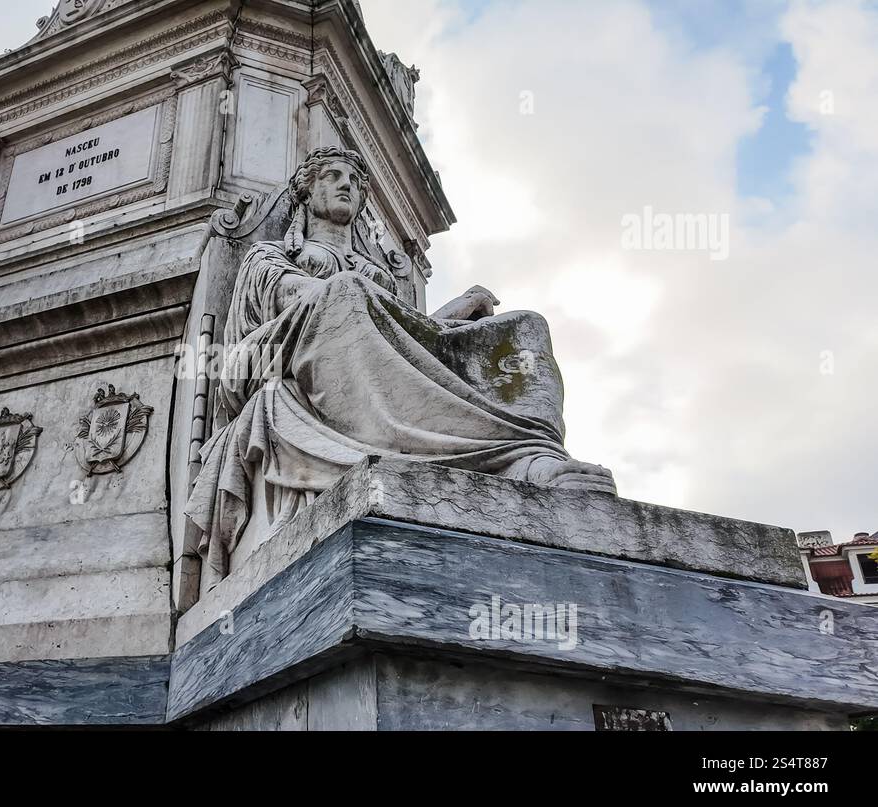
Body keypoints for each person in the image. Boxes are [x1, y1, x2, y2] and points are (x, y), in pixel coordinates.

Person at [186, 146, 615, 591]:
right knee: (345, 294)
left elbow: (410, 339)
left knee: (525, 327)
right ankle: (440, 450)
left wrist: (458, 310)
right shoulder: (268, 257)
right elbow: (304, 302)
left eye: (354, 180)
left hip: (358, 331)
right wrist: (362, 298)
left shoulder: (373, 278)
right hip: (278, 353)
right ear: (305, 190)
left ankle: (528, 455)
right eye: (332, 176)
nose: (346, 185)